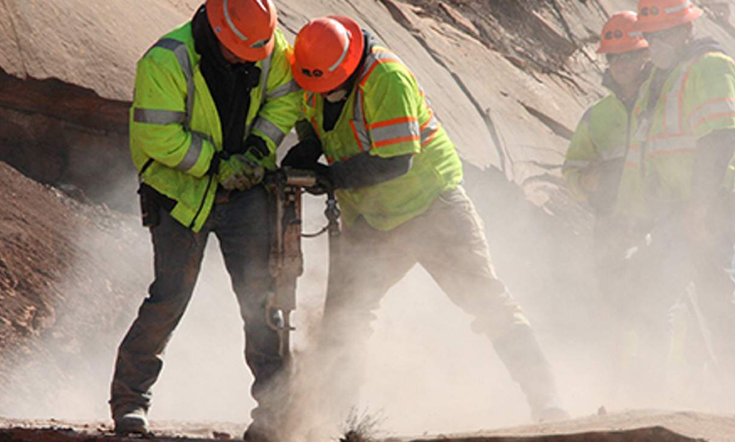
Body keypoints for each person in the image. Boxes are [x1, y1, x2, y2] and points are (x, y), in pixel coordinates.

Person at [282, 15, 569, 431]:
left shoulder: (387, 79)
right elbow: (308, 116)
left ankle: (548, 403)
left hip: (432, 208)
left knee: (487, 302)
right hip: (370, 218)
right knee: (344, 317)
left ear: (346, 67)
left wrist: (331, 176)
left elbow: (398, 159)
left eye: (328, 87)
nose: (320, 93)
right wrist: (309, 148)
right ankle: (331, 423)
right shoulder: (313, 74)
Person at [109, 0, 301, 440]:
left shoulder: (264, 44)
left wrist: (256, 151)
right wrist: (216, 166)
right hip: (181, 195)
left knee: (263, 300)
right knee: (169, 297)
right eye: (240, 52)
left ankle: (273, 417)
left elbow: (287, 99)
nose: (251, 60)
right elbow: (157, 135)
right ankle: (129, 404)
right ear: (215, 33)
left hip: (244, 190)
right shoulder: (166, 60)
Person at [622, 0, 735, 391]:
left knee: (718, 301)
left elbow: (719, 138)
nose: (655, 43)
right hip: (681, 211)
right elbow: (653, 156)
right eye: (651, 36)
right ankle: (659, 393)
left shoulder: (709, 66)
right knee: (661, 295)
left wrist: (701, 207)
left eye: (663, 35)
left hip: (714, 208)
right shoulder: (663, 80)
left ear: (685, 30)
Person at [561, 12, 653, 395]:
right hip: (612, 223)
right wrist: (587, 181)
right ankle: (623, 383)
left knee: (665, 302)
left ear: (646, 55)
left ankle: (667, 379)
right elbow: (571, 172)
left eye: (629, 56)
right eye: (614, 58)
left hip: (657, 219)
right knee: (616, 304)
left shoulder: (664, 100)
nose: (621, 66)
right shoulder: (596, 117)